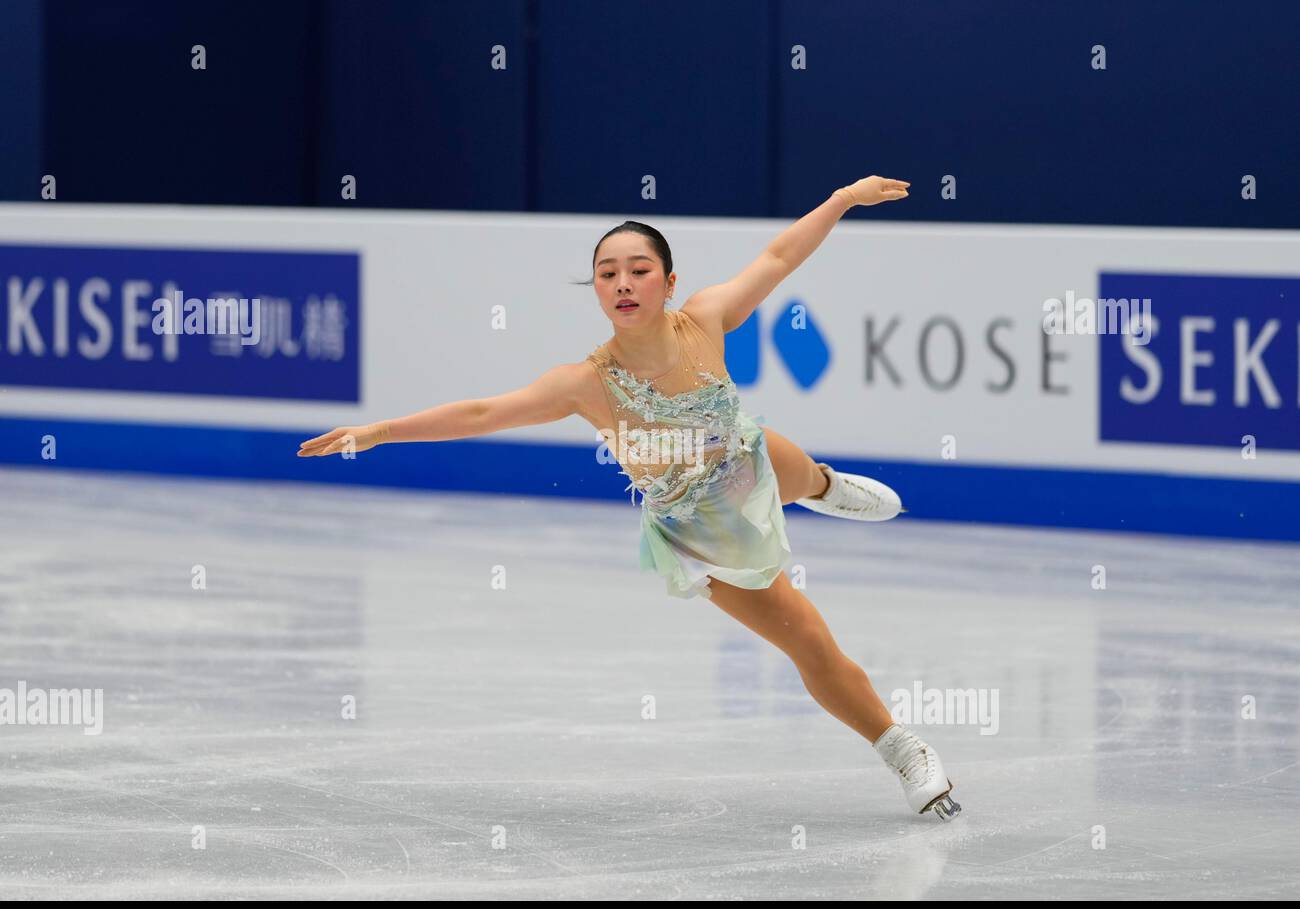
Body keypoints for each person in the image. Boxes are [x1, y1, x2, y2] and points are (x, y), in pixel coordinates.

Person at [298, 175, 961, 821]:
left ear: (668, 282)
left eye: (638, 269)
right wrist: (379, 431)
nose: (622, 283)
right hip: (702, 534)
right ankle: (902, 748)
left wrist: (843, 200)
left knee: (796, 470)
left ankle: (824, 487)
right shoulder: (584, 383)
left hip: (748, 460)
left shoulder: (706, 317)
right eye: (607, 273)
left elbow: (779, 256)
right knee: (810, 641)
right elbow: (480, 413)